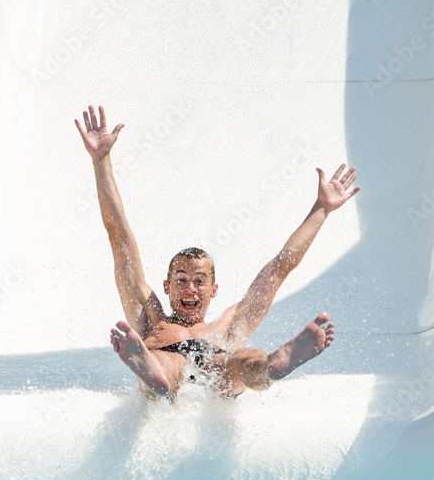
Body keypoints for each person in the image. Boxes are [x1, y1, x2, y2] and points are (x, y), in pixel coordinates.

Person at [75, 104, 360, 399]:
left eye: (199, 281)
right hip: (163, 357)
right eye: (181, 280)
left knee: (244, 359)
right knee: (165, 362)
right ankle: (154, 374)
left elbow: (280, 268)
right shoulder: (151, 316)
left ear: (214, 290)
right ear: (166, 287)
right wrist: (101, 162)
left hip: (217, 363)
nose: (190, 288)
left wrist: (321, 209)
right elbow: (120, 239)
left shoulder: (228, 325)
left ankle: (271, 367)